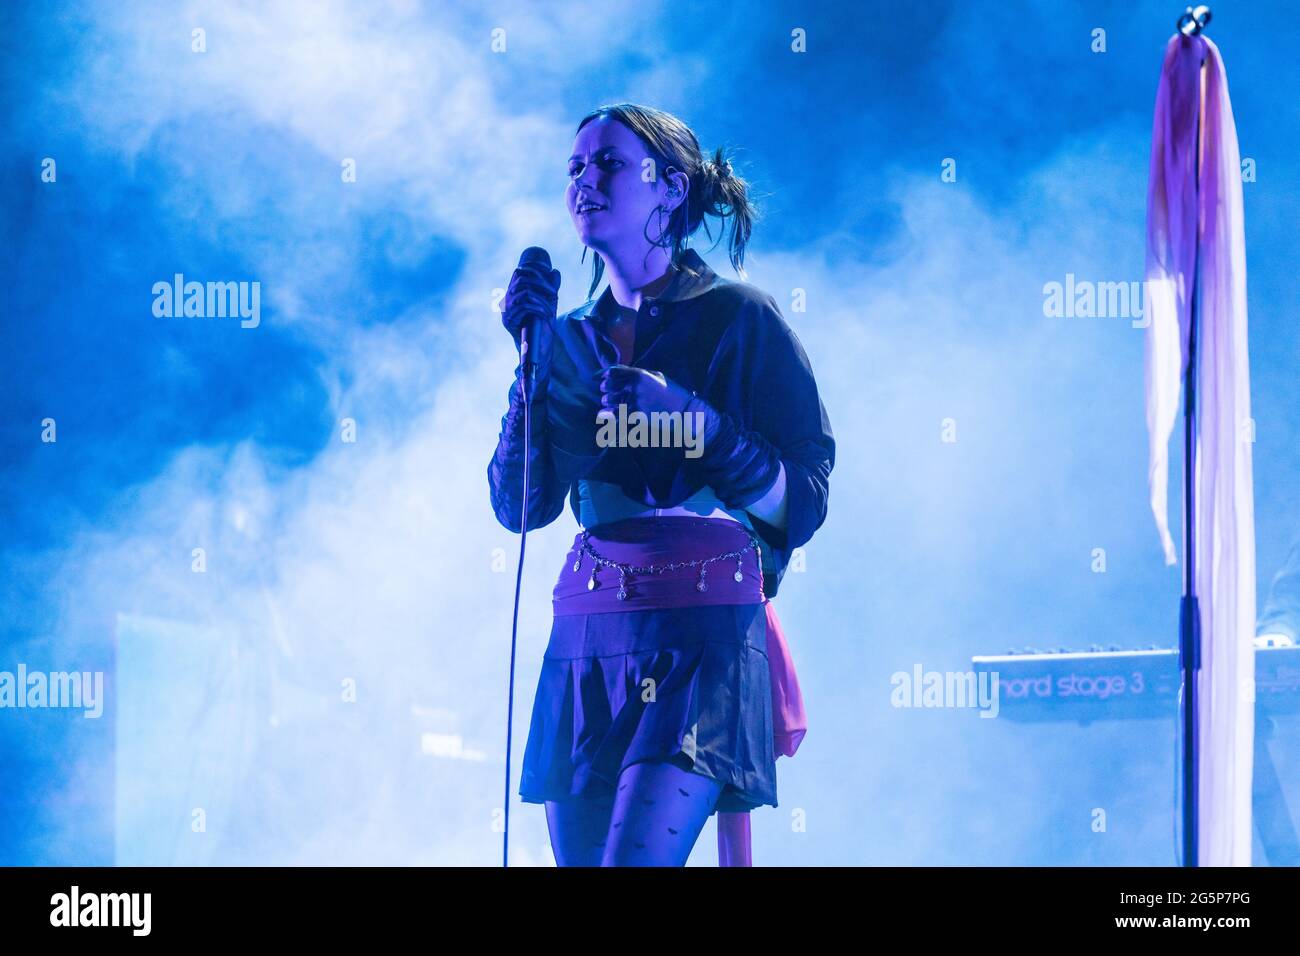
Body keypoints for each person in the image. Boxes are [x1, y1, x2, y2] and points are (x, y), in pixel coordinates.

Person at [487, 103, 834, 866]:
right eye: (574, 169)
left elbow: (803, 500)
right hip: (588, 637)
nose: (585, 182)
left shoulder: (745, 319)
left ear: (670, 189)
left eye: (608, 163)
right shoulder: (570, 336)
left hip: (702, 635)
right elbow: (522, 506)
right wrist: (529, 368)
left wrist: (696, 425)